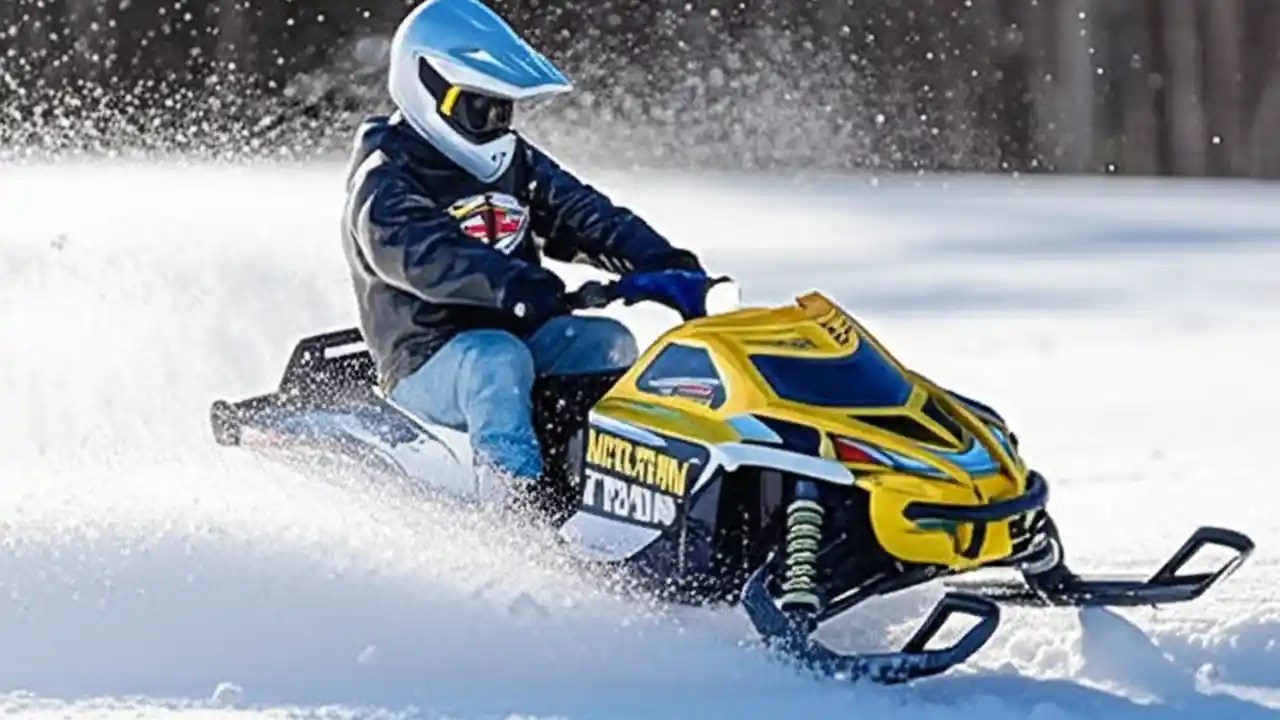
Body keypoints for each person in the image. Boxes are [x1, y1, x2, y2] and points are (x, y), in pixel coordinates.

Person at [341, 0, 709, 504]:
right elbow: (420, 256)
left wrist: (662, 261)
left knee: (607, 343)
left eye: (504, 110)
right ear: (430, 89)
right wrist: (513, 286)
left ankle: (599, 488)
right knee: (496, 359)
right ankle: (514, 509)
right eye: (481, 108)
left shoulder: (513, 160)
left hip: (517, 335)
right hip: (425, 358)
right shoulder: (386, 174)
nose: (496, 123)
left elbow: (584, 214)